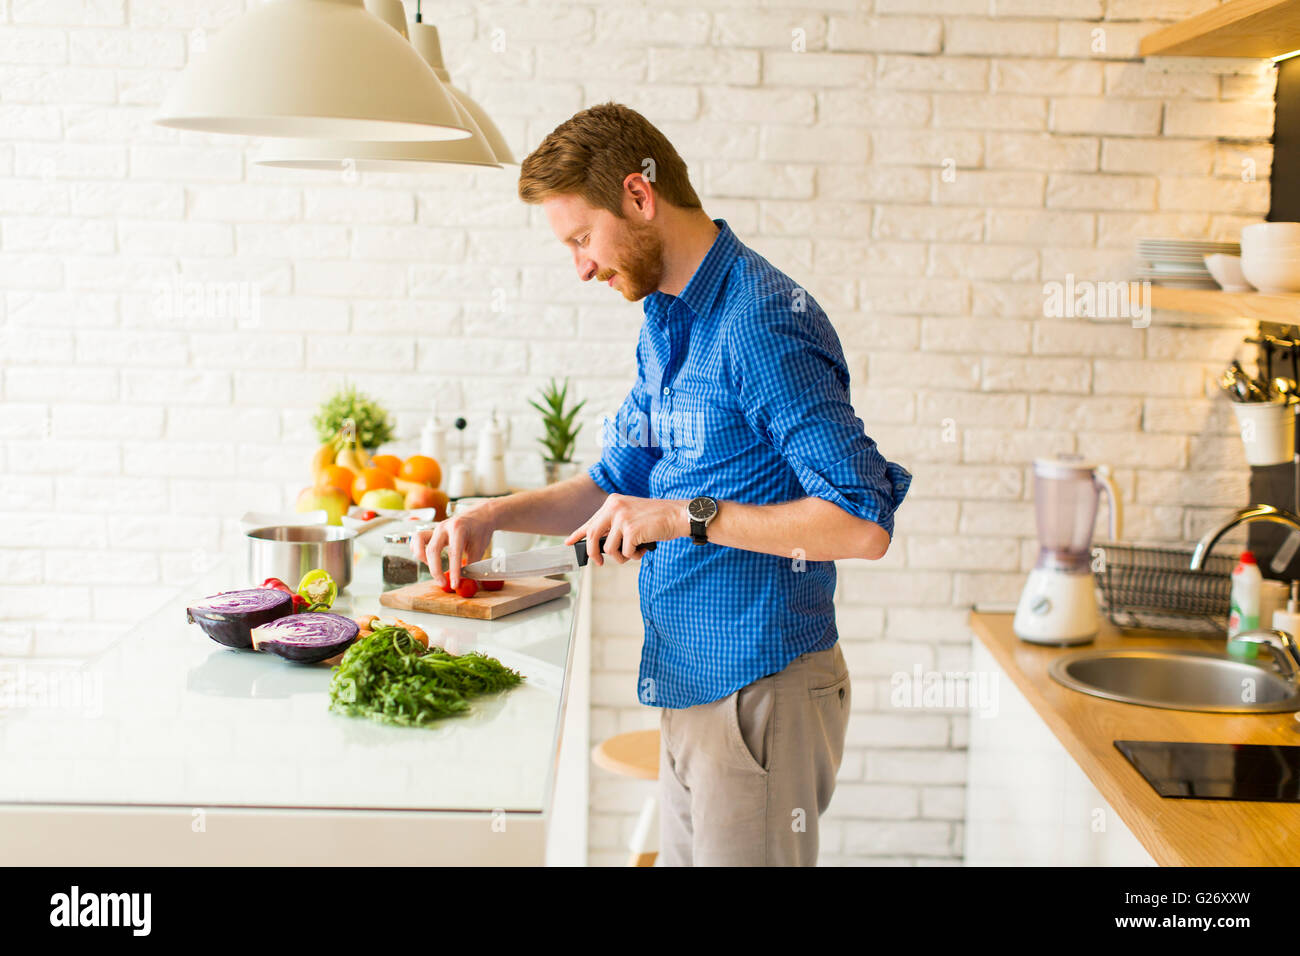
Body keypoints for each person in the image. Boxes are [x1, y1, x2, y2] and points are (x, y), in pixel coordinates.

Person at [411, 102, 912, 866]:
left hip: (761, 689)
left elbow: (860, 524)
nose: (580, 266)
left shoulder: (762, 320)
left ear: (639, 198)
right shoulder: (668, 321)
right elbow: (617, 481)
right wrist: (490, 518)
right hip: (693, 680)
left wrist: (684, 517)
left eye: (582, 238)